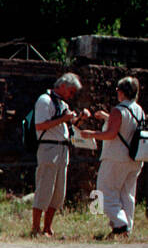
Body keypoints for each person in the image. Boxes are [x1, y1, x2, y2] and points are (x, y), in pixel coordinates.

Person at [77, 76, 145, 235]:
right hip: (135, 158)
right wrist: (108, 117)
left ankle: (120, 224)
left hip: (116, 157)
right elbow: (127, 126)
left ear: (120, 91)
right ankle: (127, 227)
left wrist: (90, 134)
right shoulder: (139, 110)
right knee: (127, 194)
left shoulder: (118, 110)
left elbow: (111, 134)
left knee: (105, 191)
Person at [31, 72, 87, 236]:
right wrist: (64, 119)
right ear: (63, 86)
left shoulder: (61, 104)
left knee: (58, 191)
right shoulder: (45, 100)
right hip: (49, 148)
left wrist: (80, 118)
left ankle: (48, 227)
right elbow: (40, 125)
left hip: (62, 148)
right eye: (71, 91)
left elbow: (70, 124)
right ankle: (35, 227)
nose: (72, 95)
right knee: (44, 187)